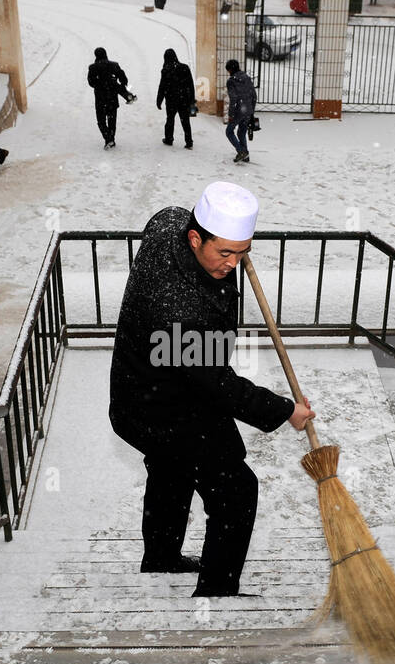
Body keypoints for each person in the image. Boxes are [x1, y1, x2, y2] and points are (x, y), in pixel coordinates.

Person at [108, 181, 315, 596]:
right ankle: (217, 592)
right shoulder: (178, 312)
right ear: (194, 238)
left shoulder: (168, 227)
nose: (234, 264)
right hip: (166, 405)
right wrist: (284, 410)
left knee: (171, 471)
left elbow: (167, 210)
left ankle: (161, 557)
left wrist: (226, 247)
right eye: (225, 253)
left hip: (139, 391)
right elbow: (218, 385)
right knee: (236, 491)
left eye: (243, 252)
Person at [88, 47, 135, 149]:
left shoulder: (92, 67)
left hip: (100, 98)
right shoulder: (114, 65)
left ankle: (108, 138)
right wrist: (120, 85)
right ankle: (111, 139)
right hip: (112, 98)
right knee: (112, 120)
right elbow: (123, 77)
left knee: (101, 121)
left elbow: (91, 82)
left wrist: (100, 84)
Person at [157, 49, 195, 149]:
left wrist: (159, 100)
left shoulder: (165, 70)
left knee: (170, 119)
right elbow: (190, 85)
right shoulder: (185, 68)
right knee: (185, 121)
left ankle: (169, 139)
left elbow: (162, 86)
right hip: (184, 100)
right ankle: (189, 141)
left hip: (171, 100)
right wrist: (192, 100)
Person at [225, 58, 256, 164]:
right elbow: (254, 95)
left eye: (228, 70)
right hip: (248, 109)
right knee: (241, 132)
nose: (228, 73)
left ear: (230, 70)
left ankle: (241, 151)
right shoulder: (246, 77)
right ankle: (246, 155)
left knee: (229, 131)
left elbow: (233, 99)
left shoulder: (231, 81)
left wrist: (231, 114)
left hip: (238, 110)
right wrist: (252, 110)